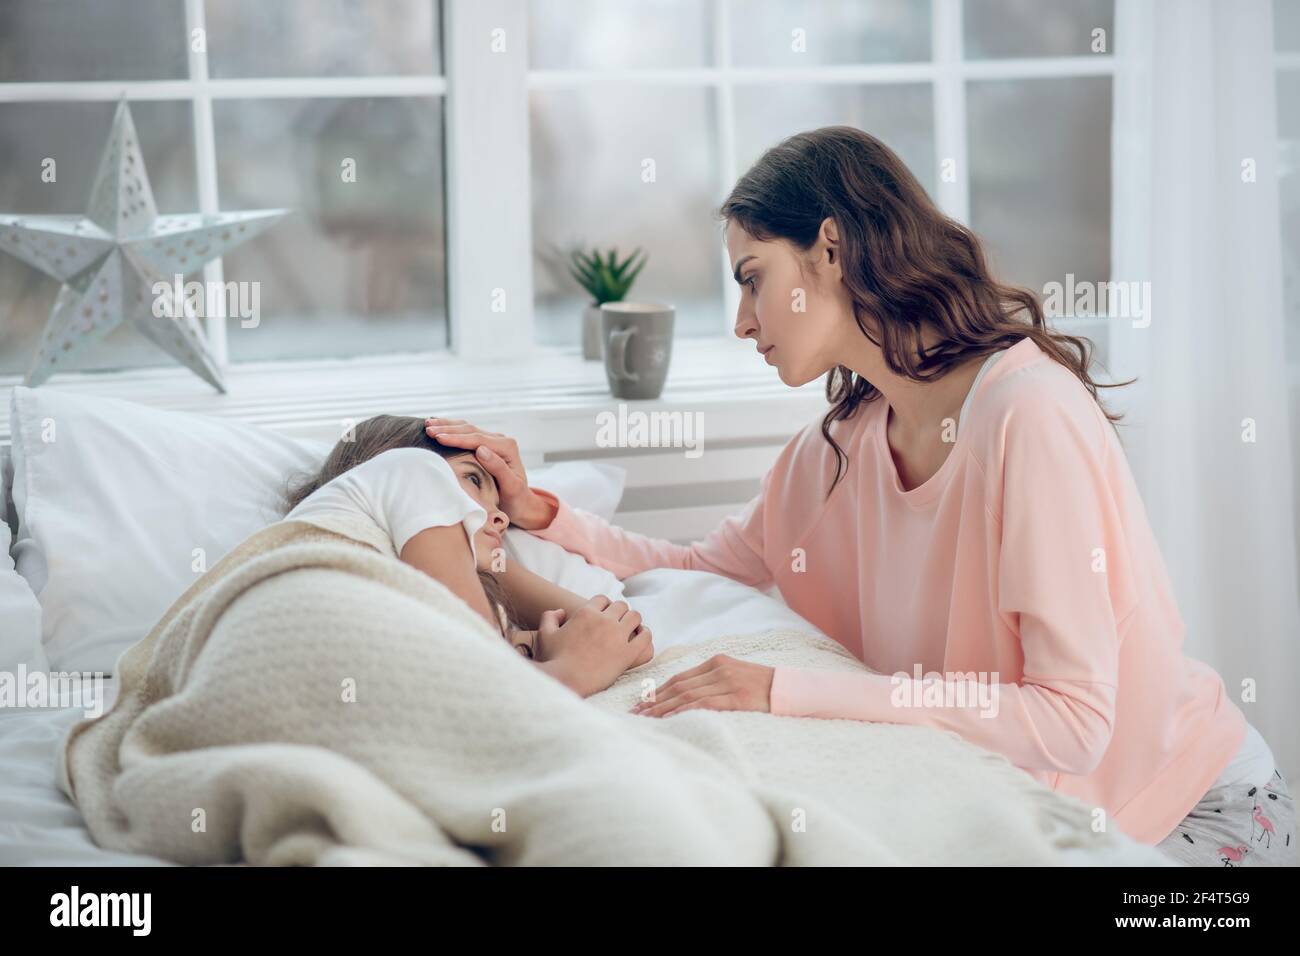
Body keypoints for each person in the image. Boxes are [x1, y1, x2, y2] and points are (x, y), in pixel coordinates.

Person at [421, 126, 1295, 865]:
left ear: (830, 249)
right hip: (1047, 819)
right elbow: (698, 567)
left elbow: (1072, 725)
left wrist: (786, 691)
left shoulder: (1028, 416)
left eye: (752, 277)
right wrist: (543, 515)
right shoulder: (835, 449)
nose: (742, 322)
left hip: (1201, 815)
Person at [281, 414, 653, 699]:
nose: (501, 517)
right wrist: (569, 672)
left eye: (497, 505)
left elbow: (626, 639)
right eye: (474, 480)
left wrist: (485, 564)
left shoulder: (431, 598)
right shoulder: (410, 467)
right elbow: (485, 683)